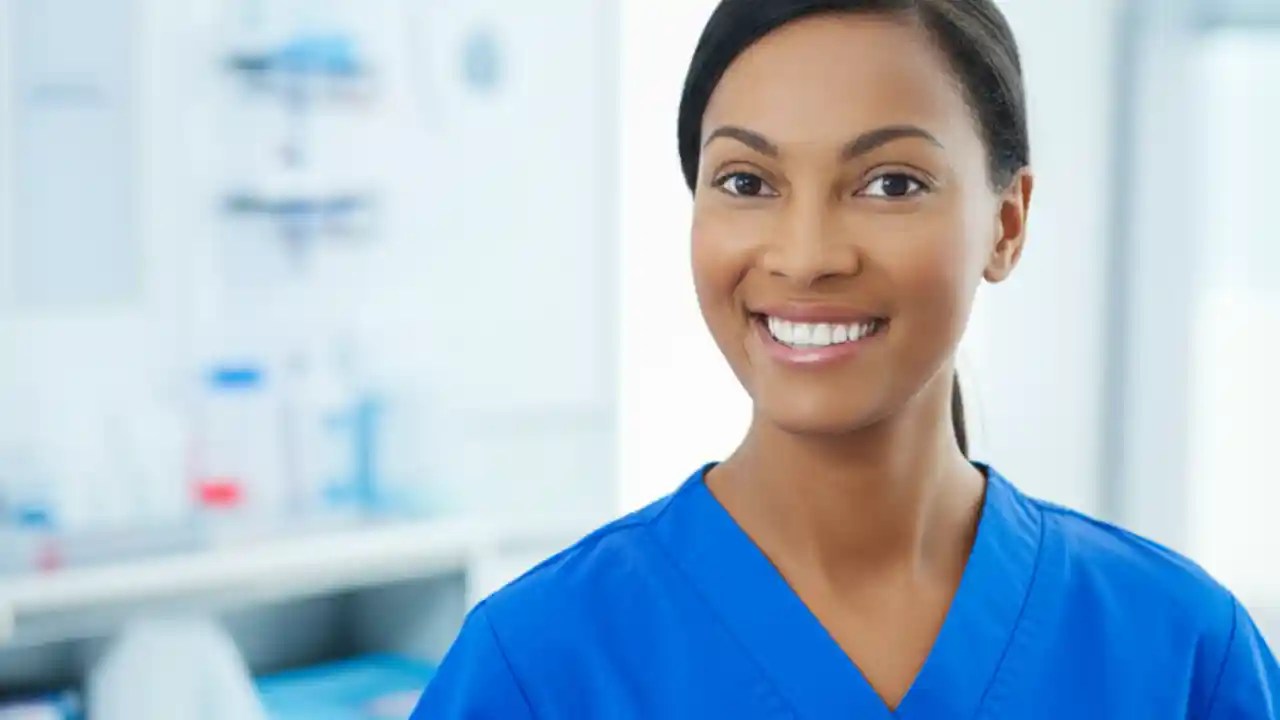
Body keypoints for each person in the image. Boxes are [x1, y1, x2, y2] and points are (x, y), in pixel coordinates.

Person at [412, 0, 1280, 716]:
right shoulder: (537, 668)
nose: (805, 255)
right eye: (747, 183)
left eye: (891, 184)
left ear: (1007, 224)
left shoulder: (1180, 654)